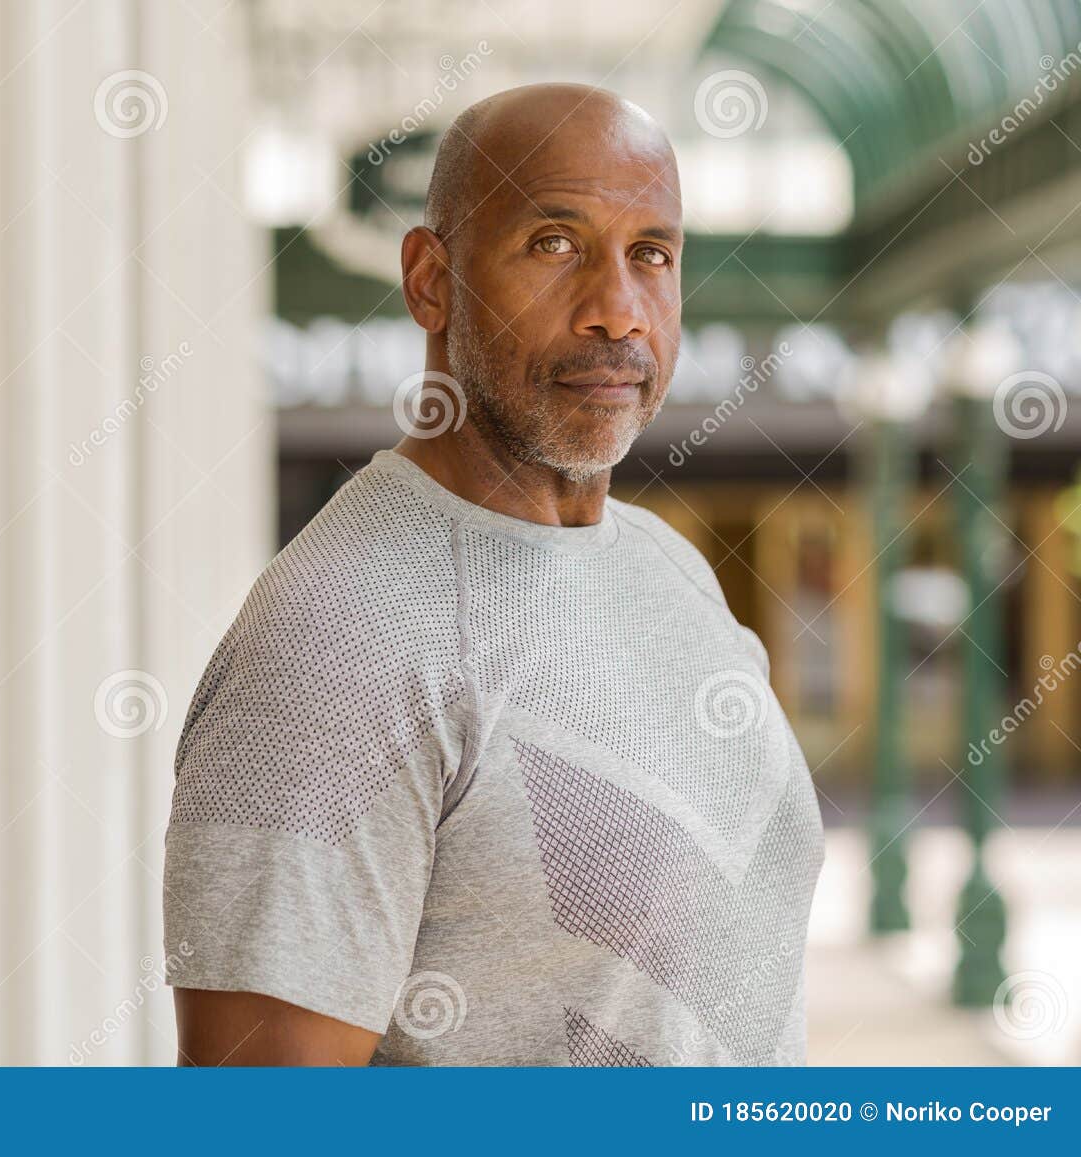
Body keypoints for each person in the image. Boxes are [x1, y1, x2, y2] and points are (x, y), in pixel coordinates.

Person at [162, 83, 824, 1065]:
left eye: (650, 254)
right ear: (431, 279)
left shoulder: (672, 570)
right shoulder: (332, 644)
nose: (615, 311)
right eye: (553, 243)